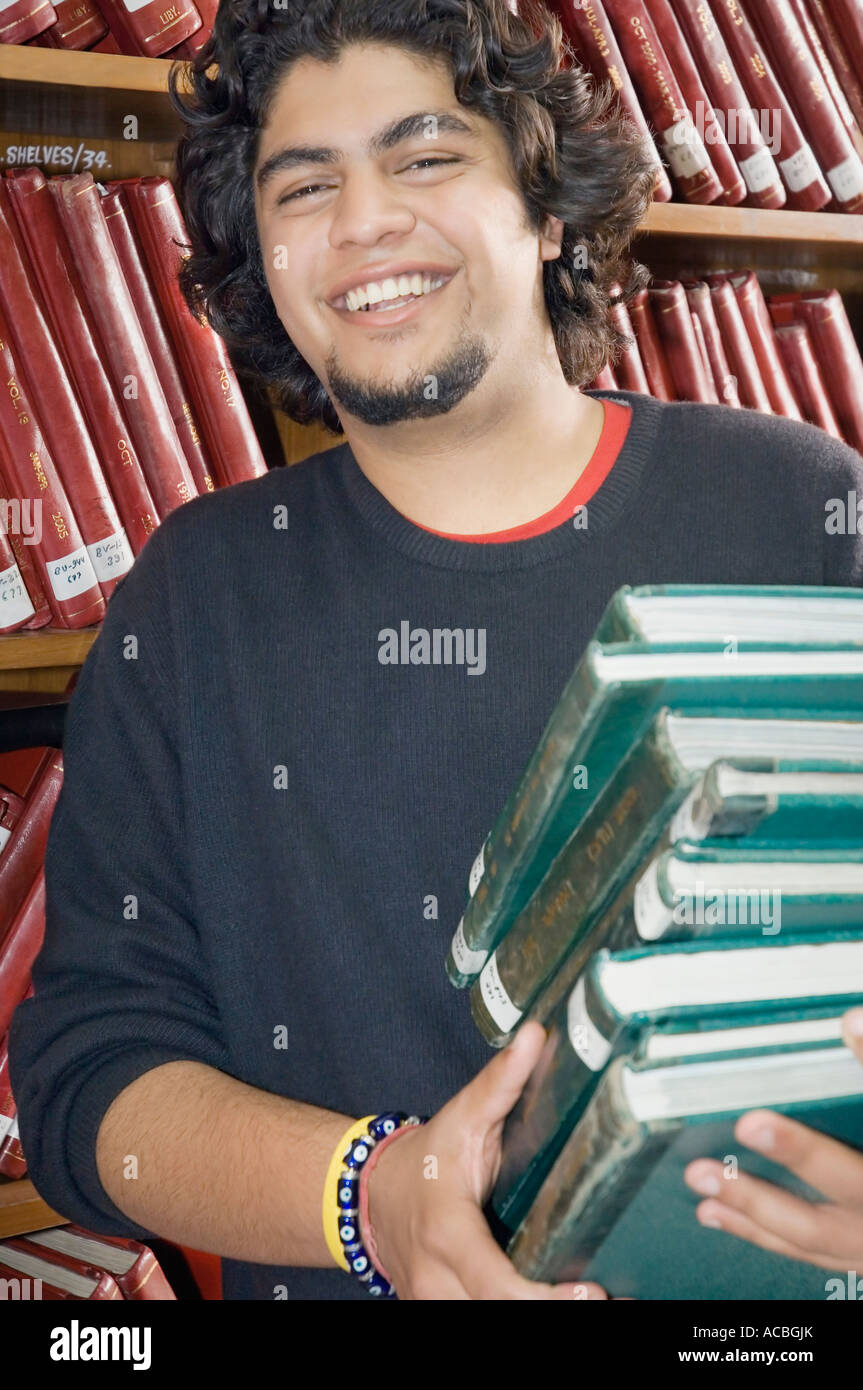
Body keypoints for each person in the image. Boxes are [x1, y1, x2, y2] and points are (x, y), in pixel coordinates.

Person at [9, 0, 863, 1301]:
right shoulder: (190, 599)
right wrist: (373, 1200)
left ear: (548, 209)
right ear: (265, 263)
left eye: (425, 157)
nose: (363, 223)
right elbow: (87, 1078)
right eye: (306, 186)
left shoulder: (801, 510)